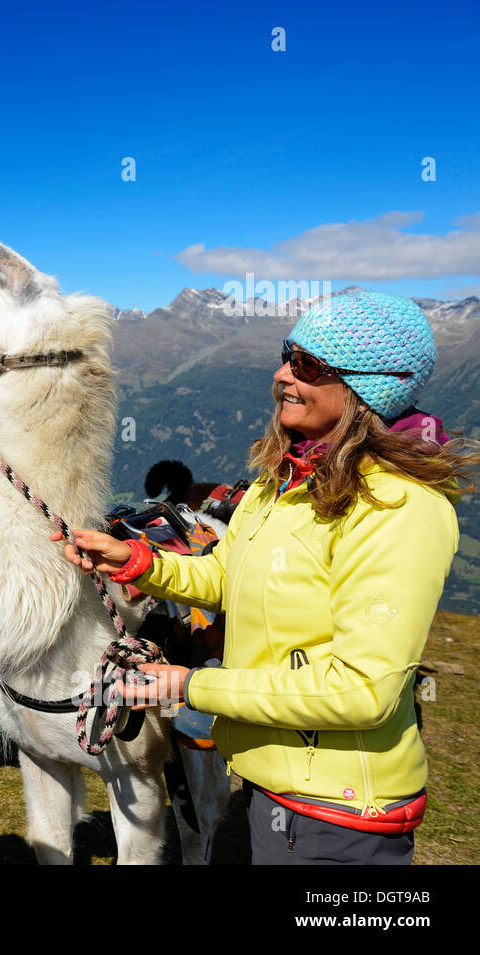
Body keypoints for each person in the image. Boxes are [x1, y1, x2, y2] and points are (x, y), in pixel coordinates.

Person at [60, 290, 477, 864]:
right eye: (288, 354)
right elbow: (229, 577)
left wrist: (187, 686)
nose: (281, 375)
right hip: (274, 780)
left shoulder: (398, 507)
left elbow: (360, 691)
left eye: (306, 366)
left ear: (366, 387)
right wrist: (138, 563)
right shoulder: (284, 480)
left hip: (342, 811)